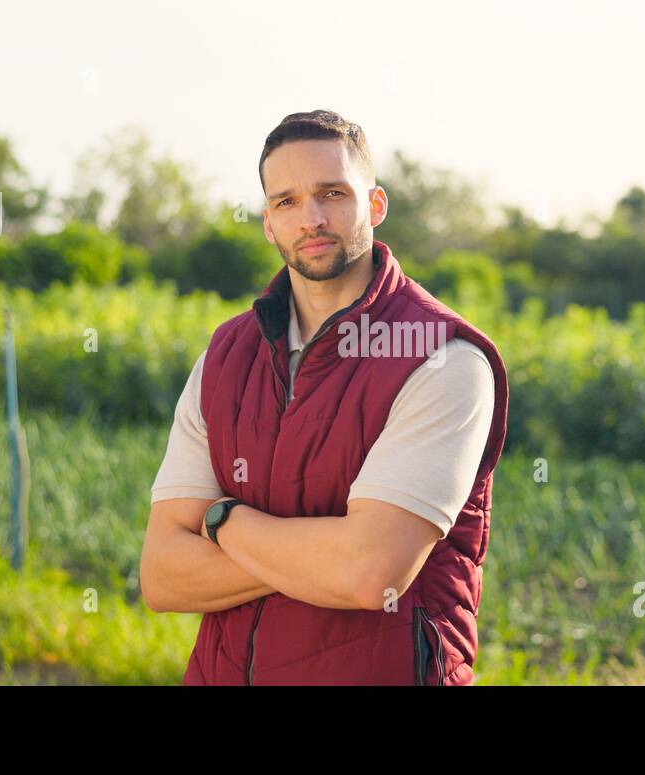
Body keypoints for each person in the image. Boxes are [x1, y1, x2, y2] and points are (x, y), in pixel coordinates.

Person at [139, 109, 508, 685]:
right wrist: (323, 552)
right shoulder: (225, 355)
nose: (311, 218)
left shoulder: (443, 359)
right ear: (267, 222)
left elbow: (368, 575)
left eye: (332, 193)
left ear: (376, 205)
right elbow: (163, 577)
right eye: (286, 201)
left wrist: (222, 520)